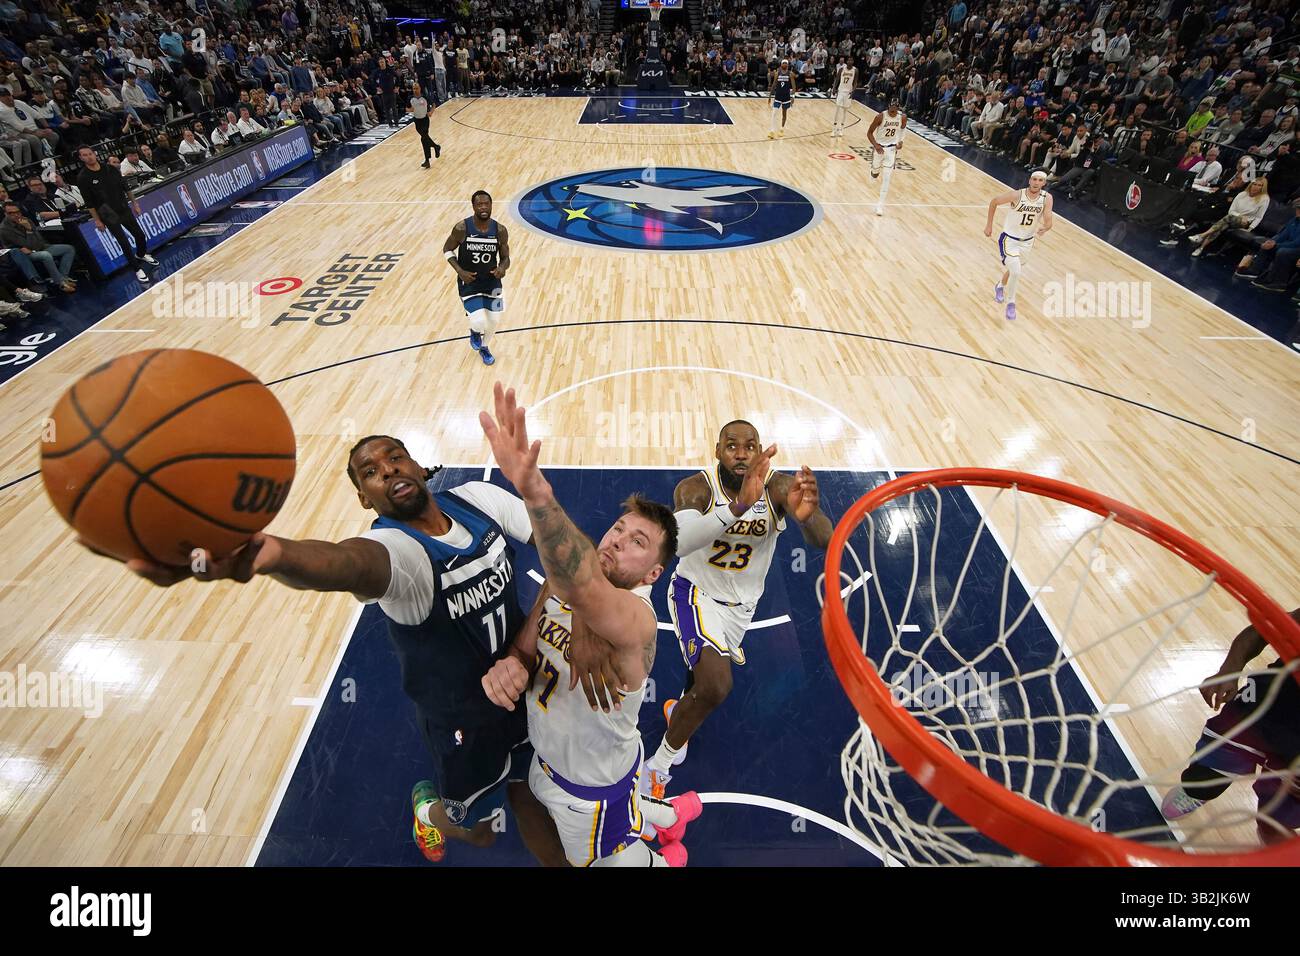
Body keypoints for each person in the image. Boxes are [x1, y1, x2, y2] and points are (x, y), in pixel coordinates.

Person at [82, 433, 568, 867]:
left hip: (524, 688)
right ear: (364, 498)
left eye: (395, 459)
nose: (388, 471)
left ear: (419, 467)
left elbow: (561, 552)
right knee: (478, 833)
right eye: (371, 473)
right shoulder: (399, 554)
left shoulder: (478, 500)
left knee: (527, 792)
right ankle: (428, 811)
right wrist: (271, 553)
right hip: (463, 718)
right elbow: (346, 563)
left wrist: (523, 651)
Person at [479, 384, 702, 866]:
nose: (619, 540)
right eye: (619, 528)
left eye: (637, 541)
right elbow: (533, 634)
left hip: (593, 793)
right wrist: (515, 662)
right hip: (544, 761)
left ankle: (658, 856)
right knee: (530, 804)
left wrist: (536, 492)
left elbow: (582, 585)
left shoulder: (638, 621)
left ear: (652, 574)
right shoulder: (563, 585)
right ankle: (665, 815)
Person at [643, 421, 832, 799]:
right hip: (694, 594)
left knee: (701, 677)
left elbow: (823, 540)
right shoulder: (695, 489)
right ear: (717, 451)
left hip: (742, 605)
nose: (741, 453)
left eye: (750, 446)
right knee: (717, 684)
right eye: (732, 446)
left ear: (760, 450)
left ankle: (677, 709)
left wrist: (809, 515)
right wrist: (739, 506)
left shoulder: (778, 487)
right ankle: (657, 768)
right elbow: (680, 543)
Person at [1161, 609, 1300, 846]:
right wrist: (1230, 668)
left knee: (1273, 824)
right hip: (1264, 708)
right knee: (1205, 777)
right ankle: (1196, 792)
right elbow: (1260, 630)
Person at [442, 190, 509, 367]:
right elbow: (447, 250)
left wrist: (502, 268)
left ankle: (485, 348)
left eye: (487, 203)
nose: (484, 207)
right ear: (473, 206)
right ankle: (474, 331)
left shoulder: (500, 230)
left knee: (494, 321)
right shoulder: (461, 228)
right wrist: (460, 271)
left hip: (492, 282)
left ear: (491, 205)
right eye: (479, 204)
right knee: (479, 321)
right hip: (469, 282)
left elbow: (505, 257)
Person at [75, 145, 158, 283]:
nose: (89, 156)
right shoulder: (83, 177)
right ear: (81, 158)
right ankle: (137, 269)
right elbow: (89, 203)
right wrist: (97, 220)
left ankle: (141, 254)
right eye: (84, 155)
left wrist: (135, 203)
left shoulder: (110, 169)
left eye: (90, 153)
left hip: (122, 207)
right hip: (107, 212)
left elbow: (125, 187)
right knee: (124, 242)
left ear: (95, 154)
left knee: (139, 234)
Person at [985, 169, 1053, 321]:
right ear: (1029, 180)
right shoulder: (1017, 195)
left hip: (1027, 242)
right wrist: (989, 225)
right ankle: (1011, 303)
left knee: (1014, 269)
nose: (1036, 183)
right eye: (1034, 179)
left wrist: (1047, 226)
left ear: (1044, 183)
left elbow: (1048, 217)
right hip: (1009, 239)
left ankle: (1000, 286)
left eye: (1040, 180)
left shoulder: (1047, 198)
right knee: (1016, 271)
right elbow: (994, 201)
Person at [1182, 177, 1269, 258]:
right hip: (1232, 218)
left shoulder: (1264, 199)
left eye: (1259, 185)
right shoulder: (1242, 194)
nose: (1256, 187)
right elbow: (1231, 211)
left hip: (1245, 223)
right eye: (1255, 184)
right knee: (1221, 225)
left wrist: (1249, 228)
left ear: (1263, 187)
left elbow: (1259, 217)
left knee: (1226, 219)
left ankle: (1201, 236)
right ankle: (1201, 248)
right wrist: (1240, 216)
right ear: (1251, 184)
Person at [0, 200, 76, 291]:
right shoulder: (4, 229)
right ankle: (60, 283)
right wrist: (28, 230)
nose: (16, 215)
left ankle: (63, 278)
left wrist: (32, 241)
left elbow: (39, 239)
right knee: (45, 255)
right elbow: (26, 245)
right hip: (24, 255)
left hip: (39, 247)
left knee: (69, 249)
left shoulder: (26, 220)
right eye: (11, 213)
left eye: (17, 212)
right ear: (5, 214)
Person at [1237, 197, 1300, 292]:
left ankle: (1279, 283)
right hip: (1288, 245)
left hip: (1297, 249)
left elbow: (1297, 243)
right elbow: (1283, 235)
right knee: (1267, 244)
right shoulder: (1294, 220)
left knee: (1283, 252)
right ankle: (1255, 271)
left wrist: (1276, 245)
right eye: (1297, 209)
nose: (1297, 211)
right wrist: (1272, 242)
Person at [867, 98, 907, 216]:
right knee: (875, 171)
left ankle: (880, 205)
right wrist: (876, 145)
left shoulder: (902, 118)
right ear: (888, 106)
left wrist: (901, 142)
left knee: (887, 178)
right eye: (891, 108)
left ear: (898, 108)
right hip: (879, 147)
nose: (893, 110)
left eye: (895, 109)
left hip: (891, 149)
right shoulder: (880, 117)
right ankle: (873, 173)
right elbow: (869, 133)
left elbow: (903, 130)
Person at [410, 82, 440, 169]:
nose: (415, 90)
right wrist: (409, 109)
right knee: (424, 138)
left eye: (416, 88)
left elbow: (434, 104)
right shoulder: (410, 98)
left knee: (424, 138)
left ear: (420, 88)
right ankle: (436, 146)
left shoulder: (425, 97)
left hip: (425, 120)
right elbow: (407, 108)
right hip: (416, 121)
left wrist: (431, 112)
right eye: (413, 88)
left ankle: (427, 160)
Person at [768, 58, 796, 139]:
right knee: (774, 113)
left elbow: (794, 87)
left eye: (785, 63)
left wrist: (793, 97)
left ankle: (782, 129)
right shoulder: (777, 73)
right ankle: (772, 131)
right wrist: (770, 96)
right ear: (781, 64)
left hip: (786, 97)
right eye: (783, 63)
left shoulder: (790, 74)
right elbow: (773, 85)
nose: (784, 64)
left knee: (784, 113)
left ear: (787, 65)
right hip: (778, 96)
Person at [831, 58, 856, 139]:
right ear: (847, 61)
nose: (850, 61)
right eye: (848, 60)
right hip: (841, 91)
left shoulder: (855, 70)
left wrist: (853, 91)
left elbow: (855, 82)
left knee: (845, 111)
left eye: (851, 60)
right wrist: (834, 88)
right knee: (837, 110)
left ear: (853, 62)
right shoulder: (842, 69)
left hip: (848, 92)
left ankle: (841, 129)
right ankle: (834, 129)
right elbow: (837, 79)